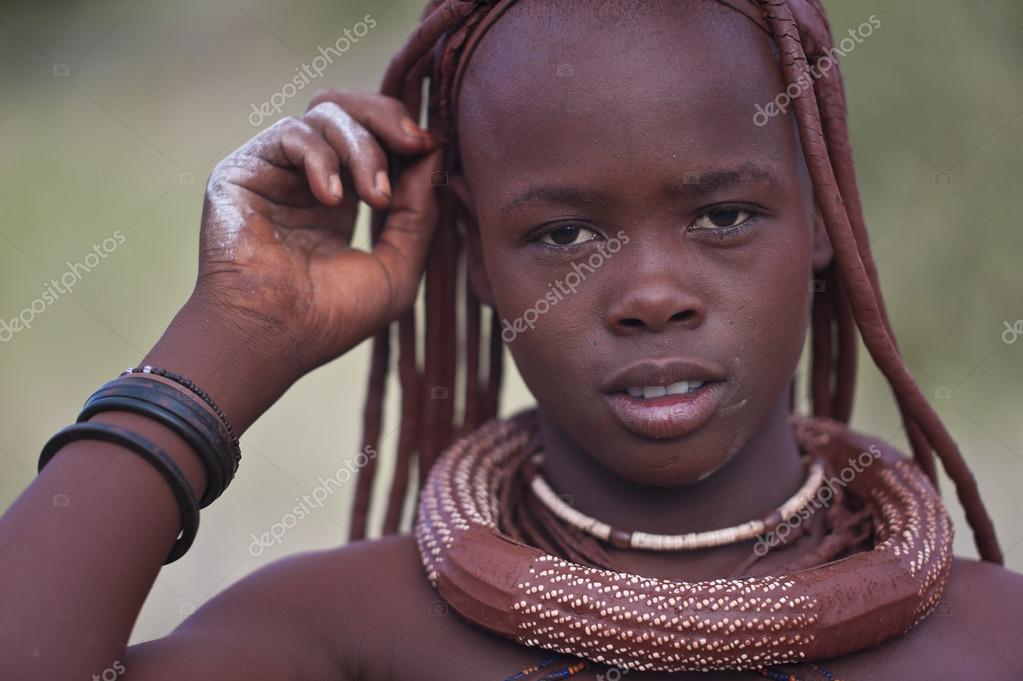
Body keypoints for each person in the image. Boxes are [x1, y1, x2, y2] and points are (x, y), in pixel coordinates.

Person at [2, 0, 1021, 679]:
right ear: (477, 255)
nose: (652, 295)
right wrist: (228, 340)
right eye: (563, 233)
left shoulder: (990, 641)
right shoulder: (346, 638)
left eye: (723, 217)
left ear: (822, 220)